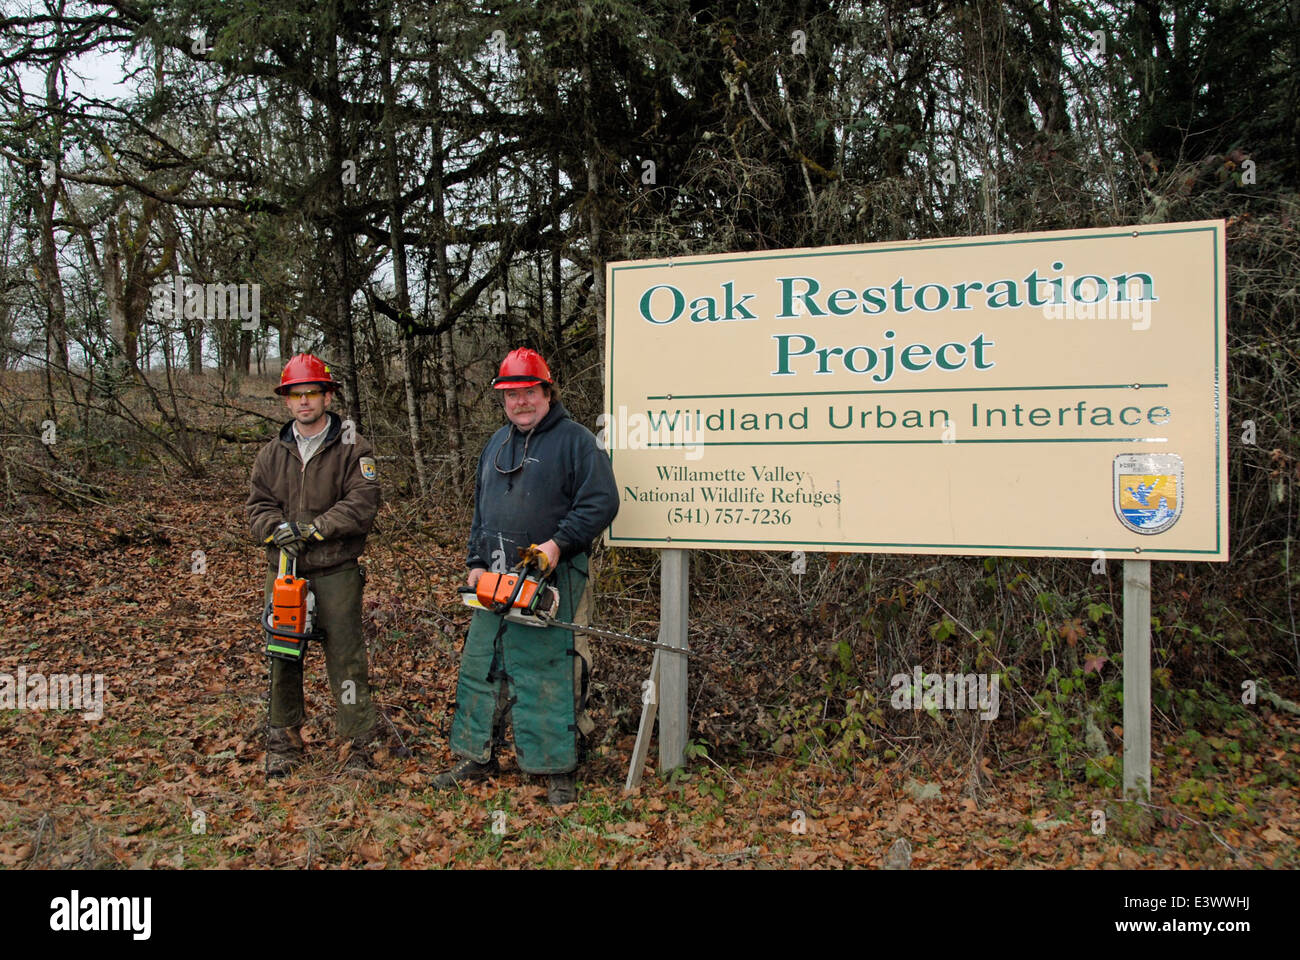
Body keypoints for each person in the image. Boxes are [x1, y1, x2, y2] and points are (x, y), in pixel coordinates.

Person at [435, 347, 618, 804]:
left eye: (528, 392)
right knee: (482, 665)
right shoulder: (496, 444)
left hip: (557, 579)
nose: (520, 402)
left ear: (546, 392)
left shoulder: (578, 441)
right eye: (511, 394)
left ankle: (557, 766)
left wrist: (557, 545)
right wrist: (475, 563)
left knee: (553, 670)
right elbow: (480, 513)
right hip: (494, 581)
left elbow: (601, 503)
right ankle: (475, 756)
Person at [246, 353, 383, 779]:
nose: (304, 402)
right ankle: (284, 741)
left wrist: (317, 528)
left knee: (346, 657)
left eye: (312, 393)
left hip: (336, 569)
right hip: (285, 570)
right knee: (282, 654)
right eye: (295, 395)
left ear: (327, 397)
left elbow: (363, 503)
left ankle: (356, 743)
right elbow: (257, 507)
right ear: (286, 401)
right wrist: (275, 529)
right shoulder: (271, 454)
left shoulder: (353, 447)